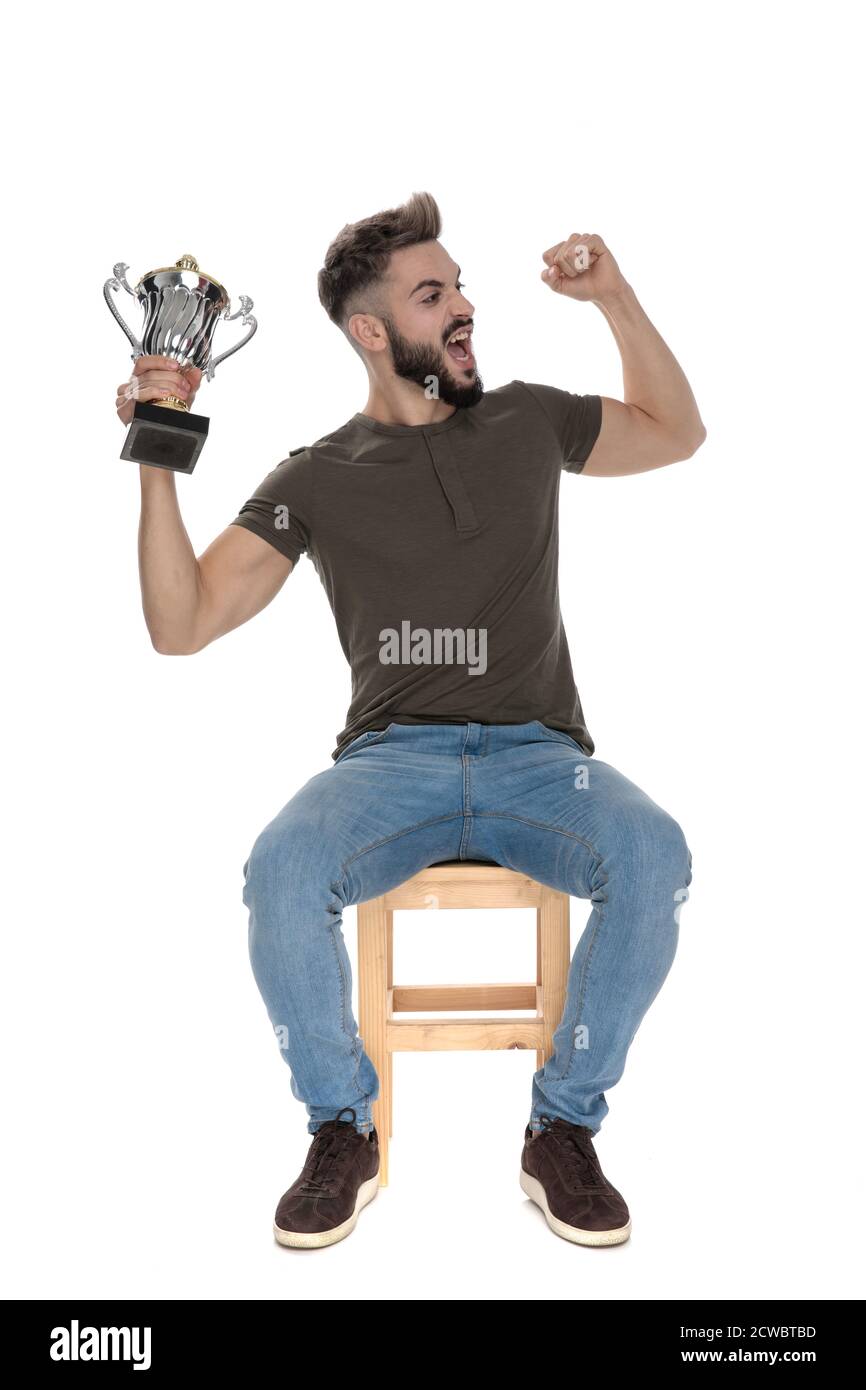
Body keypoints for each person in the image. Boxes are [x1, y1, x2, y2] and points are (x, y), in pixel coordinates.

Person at [115, 191, 704, 1251]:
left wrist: (612, 298)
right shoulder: (316, 476)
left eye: (460, 285)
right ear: (372, 332)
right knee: (282, 868)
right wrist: (159, 453)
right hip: (390, 767)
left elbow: (675, 433)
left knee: (652, 850)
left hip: (541, 762)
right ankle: (344, 1123)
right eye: (435, 296)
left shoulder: (527, 419)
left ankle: (561, 1126)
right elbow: (181, 622)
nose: (464, 307)